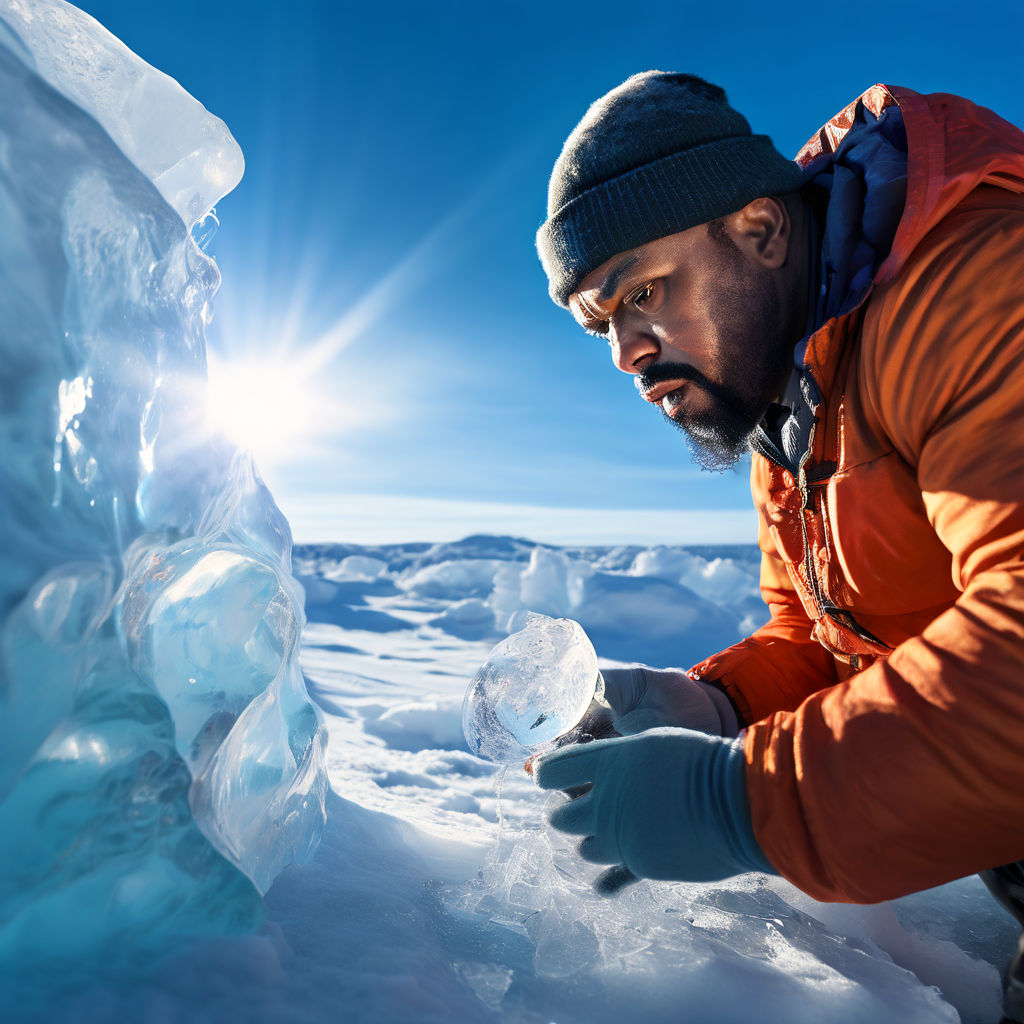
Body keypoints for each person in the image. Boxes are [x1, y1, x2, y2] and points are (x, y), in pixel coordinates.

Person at [532, 71, 1024, 1016]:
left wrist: (738, 802)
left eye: (642, 292)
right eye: (602, 323)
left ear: (759, 230)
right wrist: (715, 706)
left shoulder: (982, 290)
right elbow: (832, 640)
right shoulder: (791, 411)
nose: (626, 353)